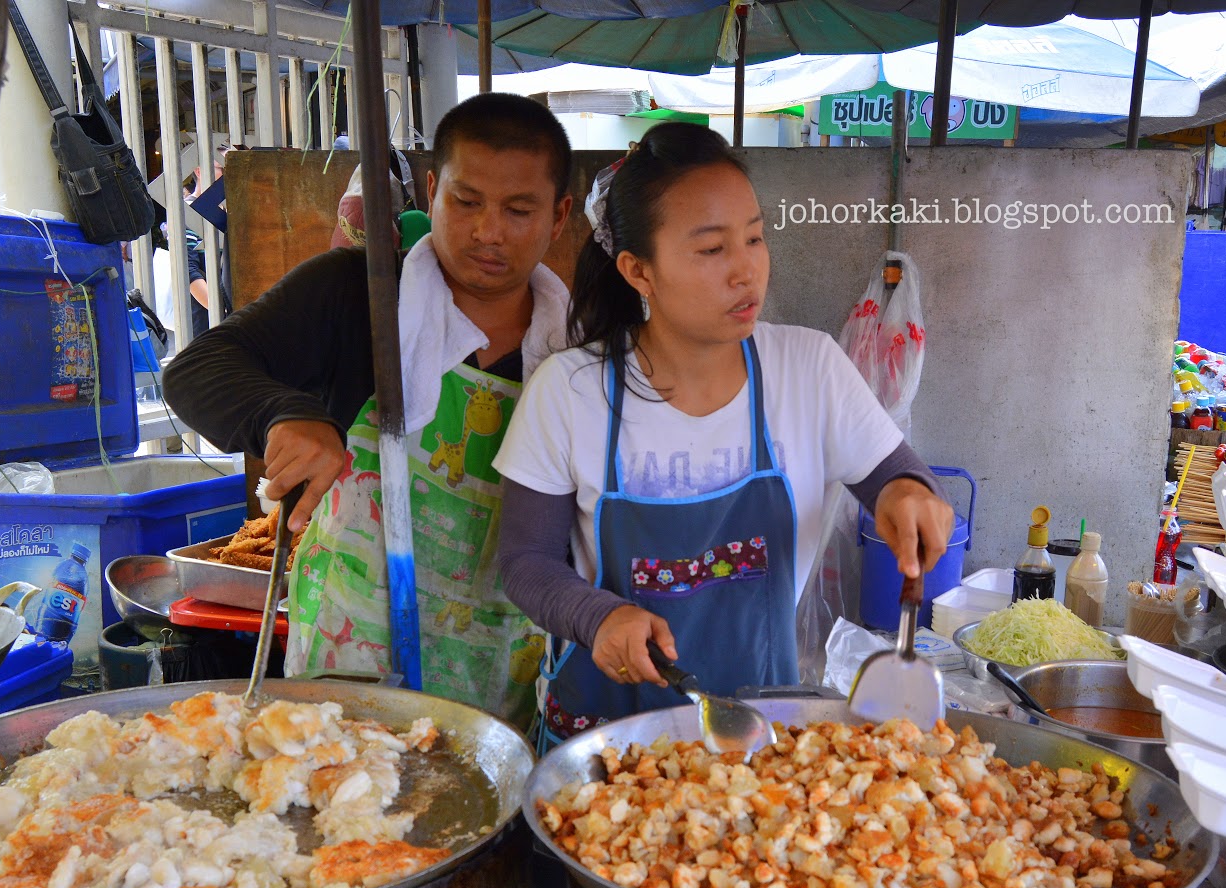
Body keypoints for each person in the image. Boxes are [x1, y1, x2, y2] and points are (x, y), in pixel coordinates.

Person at [492, 123, 953, 740]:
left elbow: (895, 475)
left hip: (760, 729)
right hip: (608, 739)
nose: (746, 271)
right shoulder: (570, 390)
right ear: (638, 270)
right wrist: (597, 616)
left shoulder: (808, 367)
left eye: (755, 239)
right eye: (712, 250)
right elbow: (526, 560)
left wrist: (909, 495)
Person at [165, 94, 574, 729]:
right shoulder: (353, 296)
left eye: (519, 210)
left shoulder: (580, 350)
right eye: (466, 202)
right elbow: (195, 370)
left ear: (560, 215)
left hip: (502, 669)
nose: (488, 231)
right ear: (432, 190)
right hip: (348, 664)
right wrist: (283, 413)